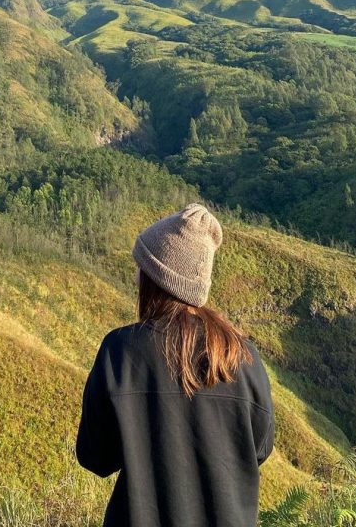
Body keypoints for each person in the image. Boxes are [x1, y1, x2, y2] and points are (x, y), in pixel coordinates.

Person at [76, 202, 274, 527]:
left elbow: (95, 457)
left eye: (141, 266)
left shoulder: (119, 352)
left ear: (156, 278)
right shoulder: (244, 358)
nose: (136, 276)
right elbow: (259, 451)